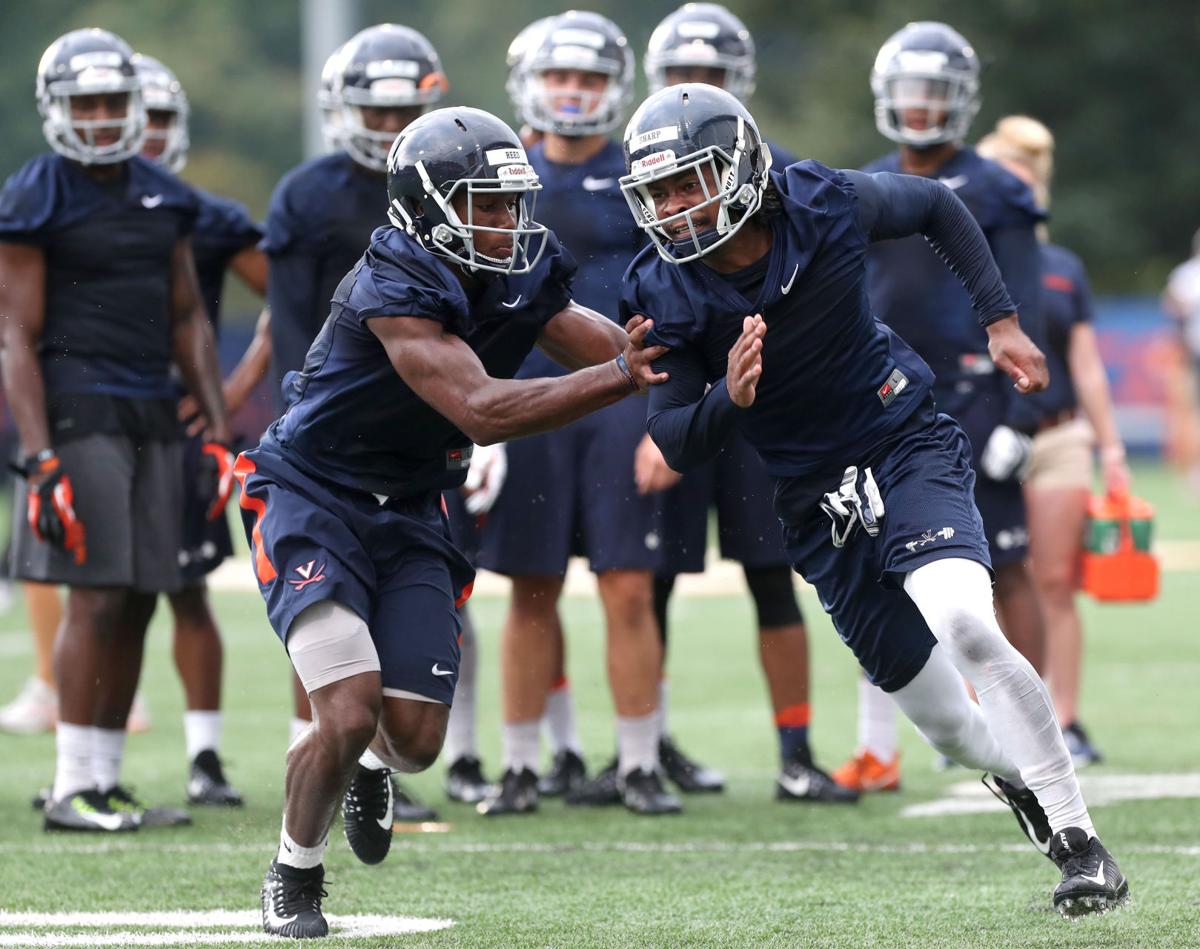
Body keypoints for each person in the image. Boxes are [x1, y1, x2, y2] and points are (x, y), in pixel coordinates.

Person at [620, 81, 1127, 917]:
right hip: (815, 499)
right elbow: (674, 434)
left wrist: (999, 319)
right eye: (660, 193)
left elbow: (934, 203)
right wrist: (728, 401)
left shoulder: (817, 198)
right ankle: (1022, 783)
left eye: (691, 181)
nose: (676, 208)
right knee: (952, 730)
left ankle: (1081, 844)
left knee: (965, 618)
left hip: (901, 436)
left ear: (742, 167)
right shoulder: (662, 288)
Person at [245, 105, 669, 938]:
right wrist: (623, 377)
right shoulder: (393, 280)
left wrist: (672, 359)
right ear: (428, 207)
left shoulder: (515, 260)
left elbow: (580, 334)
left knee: (414, 737)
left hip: (410, 504)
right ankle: (294, 871)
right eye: (486, 203)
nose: (508, 221)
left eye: (513, 202)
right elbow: (480, 408)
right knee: (344, 704)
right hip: (314, 494)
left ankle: (372, 762)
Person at [0, 28, 232, 832]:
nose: (100, 117)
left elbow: (187, 318)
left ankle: (103, 777)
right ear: (57, 109)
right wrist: (37, 453)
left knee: (139, 595)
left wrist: (219, 423)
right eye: (84, 103)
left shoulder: (164, 194)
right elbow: (13, 337)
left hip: (153, 410)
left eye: (112, 101)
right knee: (95, 596)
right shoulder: (38, 194)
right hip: (79, 407)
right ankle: (69, 784)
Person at [637, 0, 856, 804]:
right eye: (680, 78)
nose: (694, 95)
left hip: (771, 408)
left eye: (713, 79)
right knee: (651, 578)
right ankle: (646, 742)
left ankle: (796, 751)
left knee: (773, 575)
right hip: (694, 392)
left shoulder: (779, 171)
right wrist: (652, 419)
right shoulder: (646, 178)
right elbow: (646, 305)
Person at [834, 22, 1047, 793]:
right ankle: (879, 744)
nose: (921, 107)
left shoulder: (996, 188)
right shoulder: (861, 183)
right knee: (877, 571)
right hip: (884, 397)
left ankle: (1033, 720)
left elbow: (1028, 309)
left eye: (935, 92)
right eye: (910, 91)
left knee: (1007, 567)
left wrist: (1023, 417)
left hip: (972, 398)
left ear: (961, 100)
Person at [477, 11, 680, 817]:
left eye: (589, 78)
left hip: (626, 398)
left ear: (615, 88)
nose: (572, 92)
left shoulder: (644, 171)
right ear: (532, 81)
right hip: (526, 396)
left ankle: (637, 764)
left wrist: (670, 412)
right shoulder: (501, 174)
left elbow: (683, 297)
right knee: (530, 589)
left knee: (627, 586)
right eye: (561, 76)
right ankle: (521, 765)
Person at [261, 23, 450, 821]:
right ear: (341, 110)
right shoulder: (306, 196)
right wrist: (294, 415)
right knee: (322, 607)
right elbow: (289, 320)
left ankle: (379, 750)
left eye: (401, 110)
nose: (385, 125)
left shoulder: (453, 185)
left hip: (422, 434)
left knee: (415, 605)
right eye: (373, 111)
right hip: (326, 431)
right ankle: (323, 743)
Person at [977, 115, 1131, 767]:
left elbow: (1087, 364)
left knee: (1053, 581)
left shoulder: (1064, 268)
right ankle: (991, 721)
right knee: (986, 582)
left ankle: (1062, 718)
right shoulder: (967, 265)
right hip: (985, 435)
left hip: (1057, 434)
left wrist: (1113, 449)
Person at [134, 51, 267, 806]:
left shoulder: (206, 216)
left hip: (178, 425)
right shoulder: (60, 203)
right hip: (97, 418)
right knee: (104, 597)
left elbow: (297, 296)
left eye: (157, 119)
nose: (145, 134)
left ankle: (205, 757)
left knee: (187, 589)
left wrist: (234, 384)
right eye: (135, 116)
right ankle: (90, 763)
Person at [1162, 228, 1200, 491]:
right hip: (1194, 351)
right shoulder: (1189, 275)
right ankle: (1194, 470)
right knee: (1192, 413)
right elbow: (1171, 303)